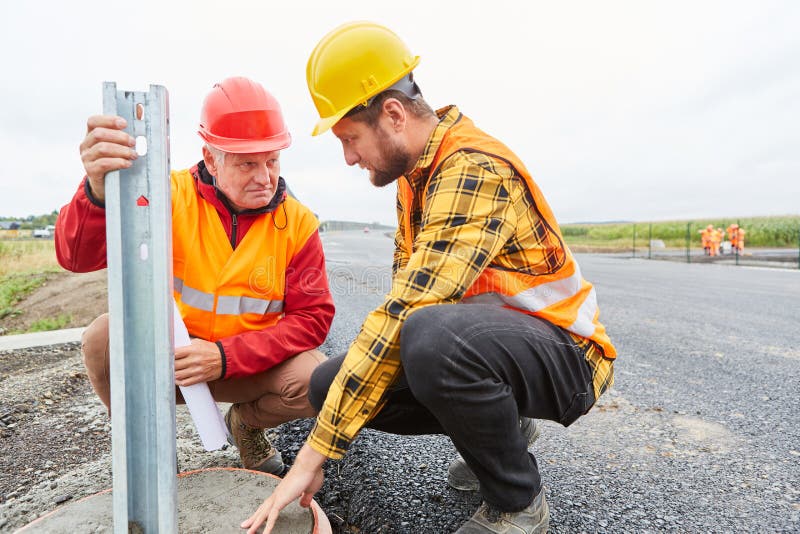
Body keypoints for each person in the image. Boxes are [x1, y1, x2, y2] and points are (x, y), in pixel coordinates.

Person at [243, 22, 617, 534]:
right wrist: (336, 416)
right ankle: (505, 424)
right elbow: (404, 305)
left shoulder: (471, 168)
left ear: (392, 115)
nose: (349, 157)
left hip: (567, 355)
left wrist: (314, 454)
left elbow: (411, 312)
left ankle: (517, 505)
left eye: (350, 138)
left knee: (428, 337)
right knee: (333, 379)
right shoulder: (415, 178)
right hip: (500, 347)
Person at [55, 77, 335, 475]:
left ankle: (247, 425)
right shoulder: (164, 195)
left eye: (272, 160)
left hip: (245, 367)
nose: (264, 177)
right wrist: (97, 190)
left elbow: (313, 319)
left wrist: (224, 358)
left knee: (318, 379)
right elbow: (76, 257)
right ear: (210, 156)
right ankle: (142, 443)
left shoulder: (298, 224)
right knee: (102, 337)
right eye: (246, 163)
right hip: (169, 364)